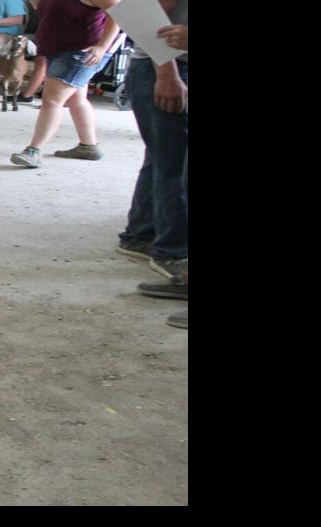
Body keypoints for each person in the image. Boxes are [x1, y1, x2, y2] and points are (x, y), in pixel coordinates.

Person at [10, 0, 122, 168]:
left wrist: (102, 46)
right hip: (58, 49)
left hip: (80, 53)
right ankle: (88, 146)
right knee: (77, 100)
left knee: (52, 101)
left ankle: (33, 150)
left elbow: (119, 13)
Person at [132, 0, 186, 329]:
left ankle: (153, 238)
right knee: (170, 162)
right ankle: (168, 247)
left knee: (167, 161)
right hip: (168, 64)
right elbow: (144, 15)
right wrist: (166, 71)